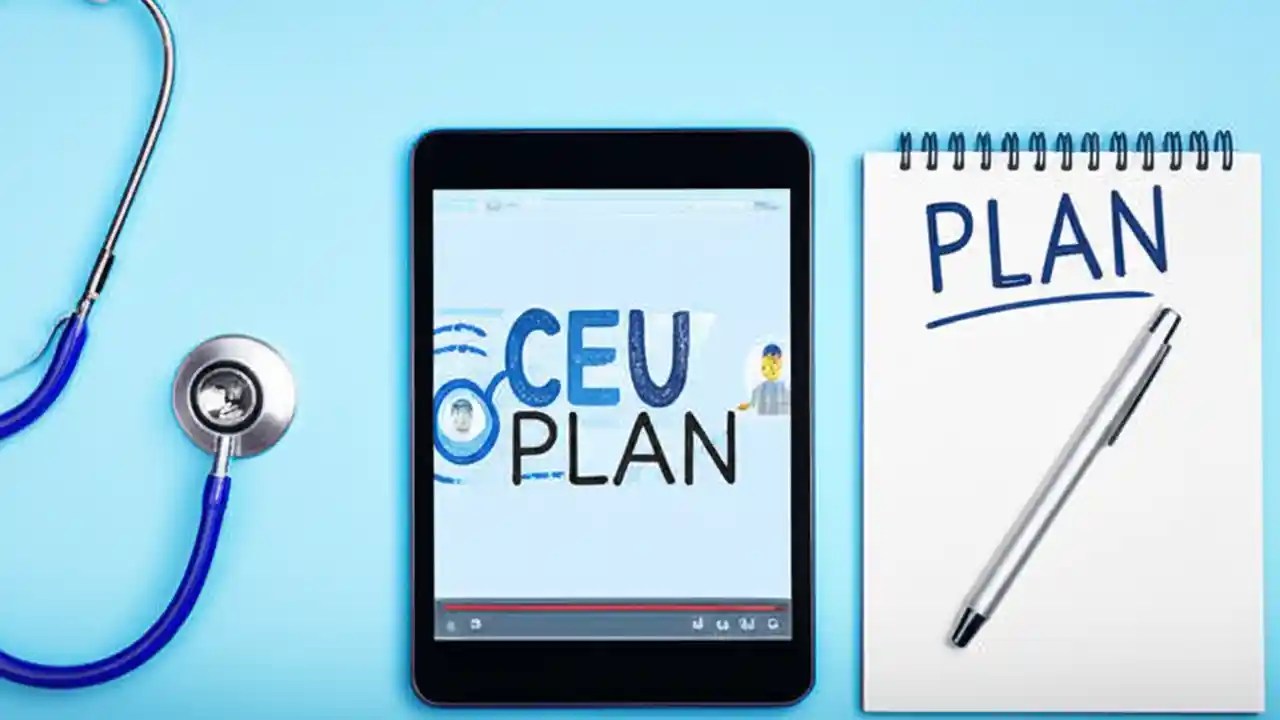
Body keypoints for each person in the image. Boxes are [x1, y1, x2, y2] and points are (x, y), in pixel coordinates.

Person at [738, 343, 790, 415]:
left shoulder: (785, 390)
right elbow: (752, 405)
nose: (770, 368)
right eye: (765, 366)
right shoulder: (758, 390)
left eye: (774, 363)